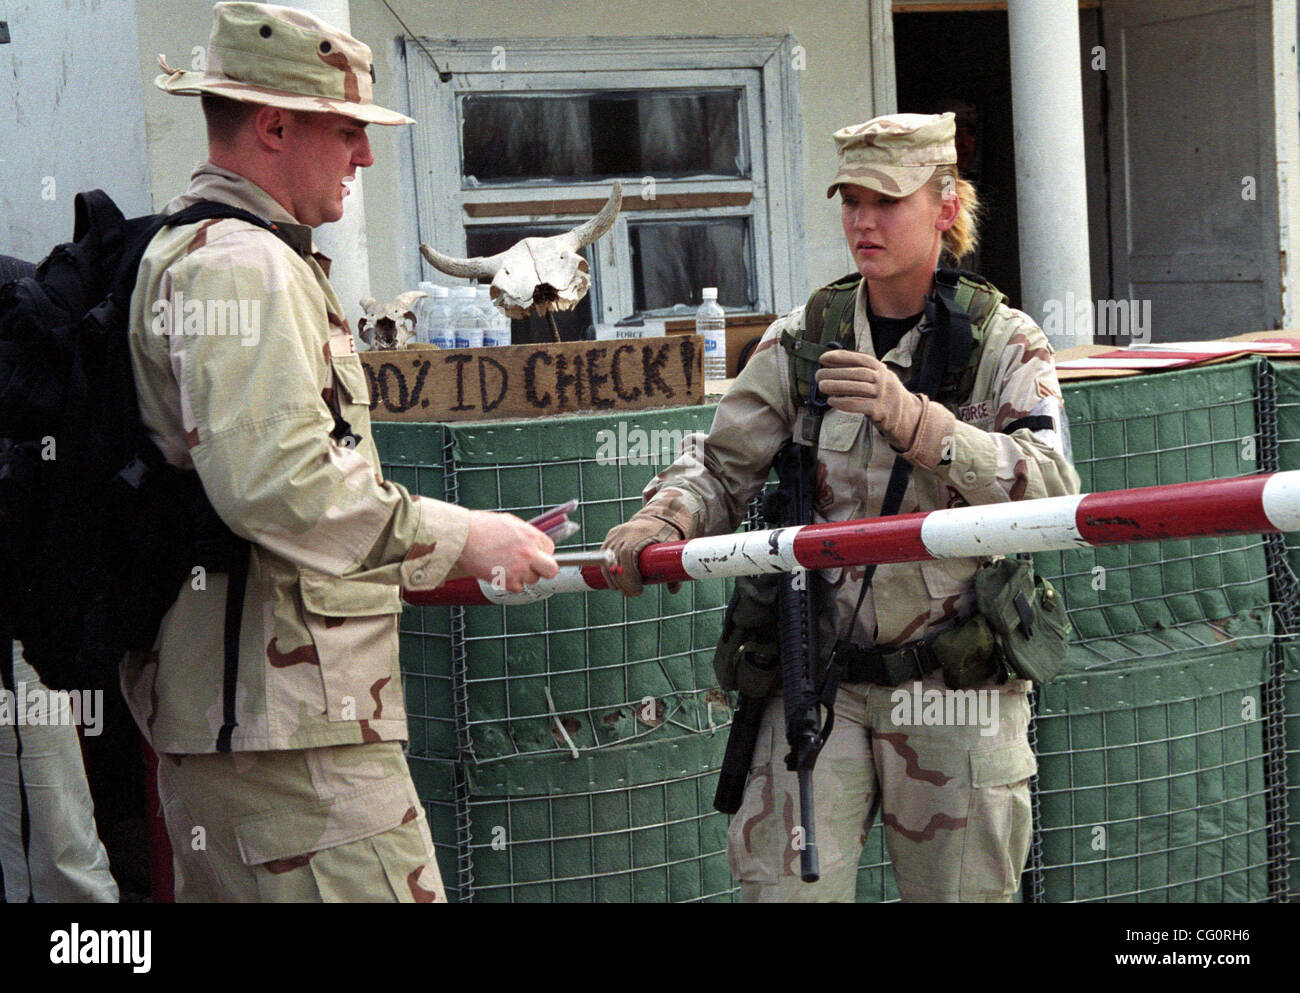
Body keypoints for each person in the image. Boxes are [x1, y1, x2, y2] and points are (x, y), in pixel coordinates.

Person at [125, 1, 556, 902]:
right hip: (294, 754)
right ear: (274, 125)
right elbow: (278, 485)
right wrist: (465, 536)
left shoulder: (213, 251)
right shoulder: (241, 265)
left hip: (261, 733)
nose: (363, 155)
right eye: (346, 128)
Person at [602, 112, 1079, 902]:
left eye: (887, 200)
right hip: (820, 681)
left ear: (946, 206)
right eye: (851, 199)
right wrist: (668, 517)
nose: (863, 220)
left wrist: (924, 425)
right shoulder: (807, 337)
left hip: (952, 685)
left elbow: (1055, 490)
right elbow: (721, 463)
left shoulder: (1005, 342)